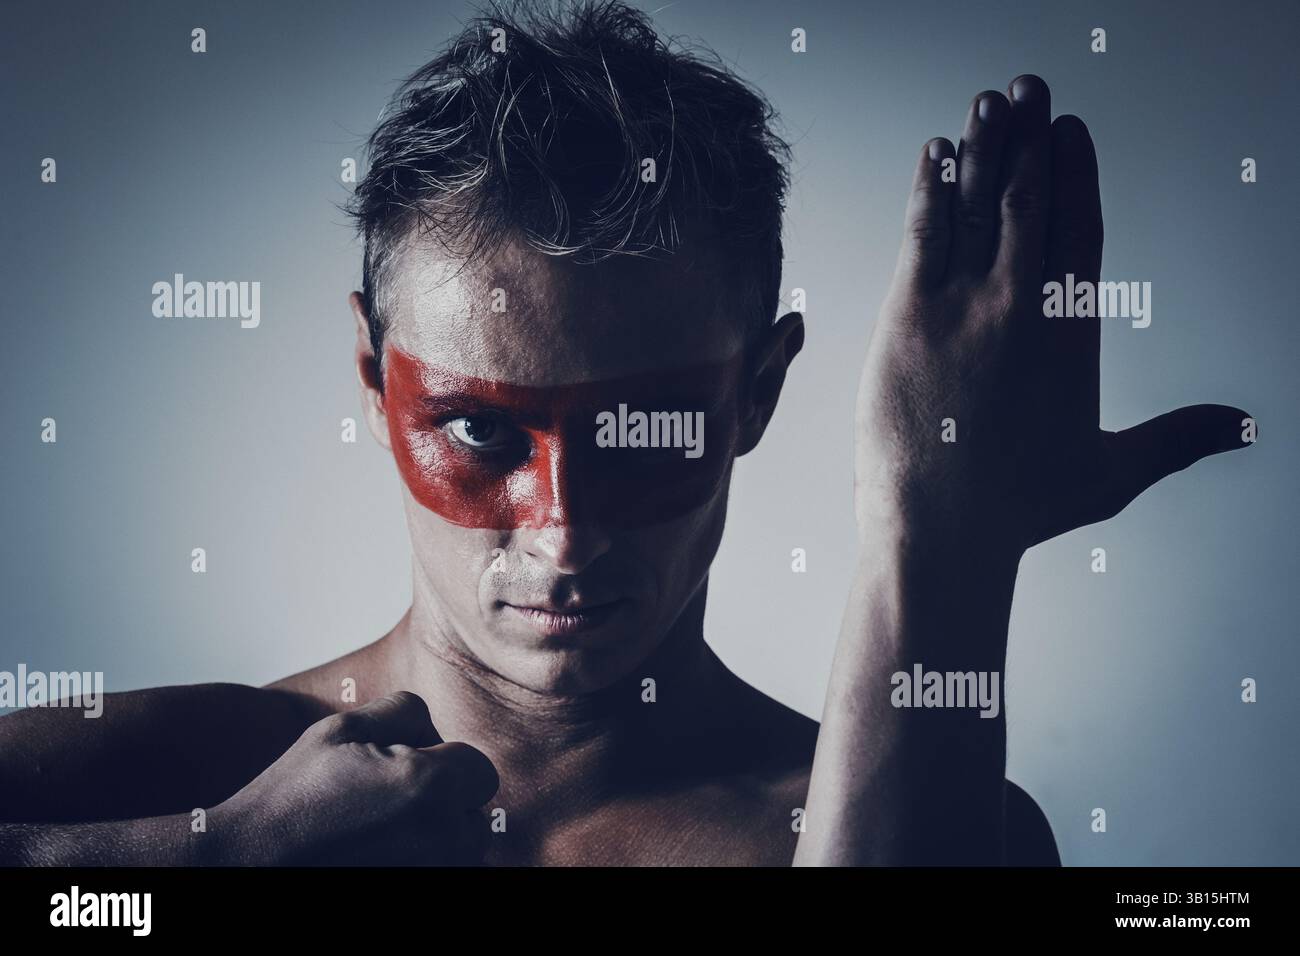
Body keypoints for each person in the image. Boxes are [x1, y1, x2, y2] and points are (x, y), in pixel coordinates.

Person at [0, 0, 1249, 866]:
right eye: (480, 432)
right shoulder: (168, 772)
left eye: (643, 430)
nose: (565, 525)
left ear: (755, 394)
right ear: (375, 378)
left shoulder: (929, 815)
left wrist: (944, 536)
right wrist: (204, 857)